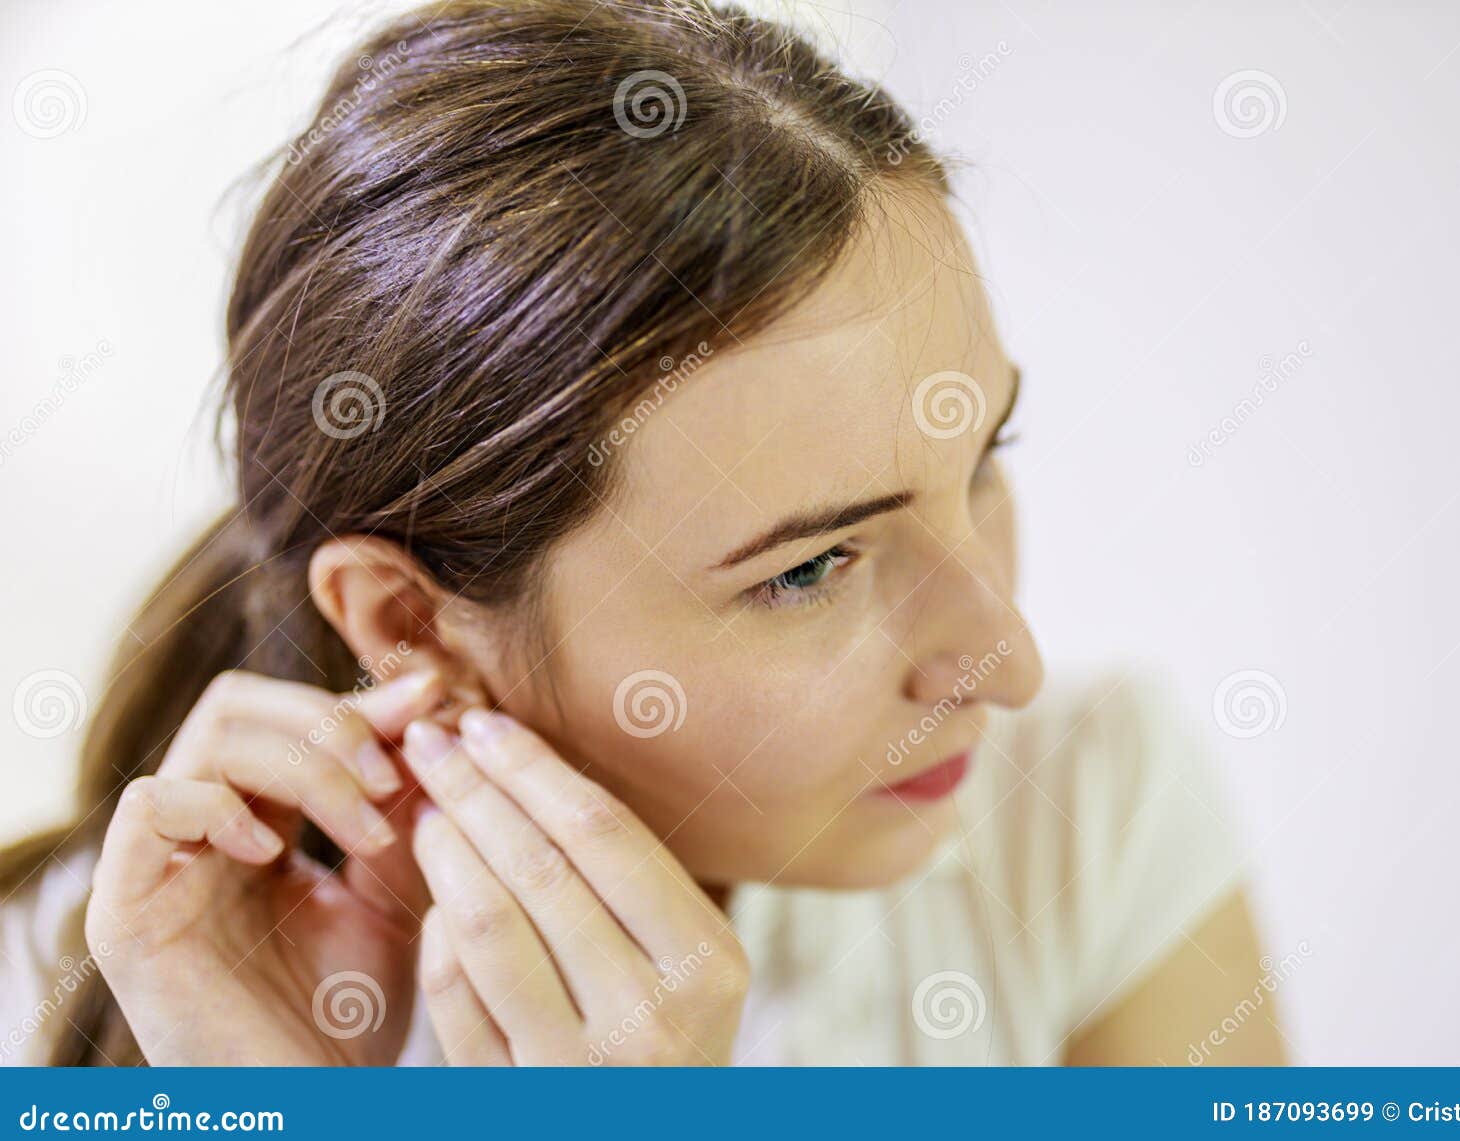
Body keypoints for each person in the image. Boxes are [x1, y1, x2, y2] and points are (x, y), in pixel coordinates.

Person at [0, 0, 1283, 1067]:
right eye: (811, 566)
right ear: (407, 624)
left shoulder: (1085, 811)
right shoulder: (87, 987)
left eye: (982, 459)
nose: (1006, 662)